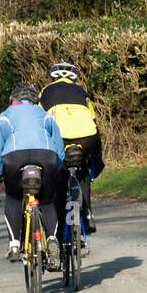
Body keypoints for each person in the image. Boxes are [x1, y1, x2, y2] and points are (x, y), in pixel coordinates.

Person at [0, 84, 65, 270]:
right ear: (34, 101)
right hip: (46, 156)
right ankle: (52, 239)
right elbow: (59, 147)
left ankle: (14, 243)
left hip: (15, 157)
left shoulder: (4, 116)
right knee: (47, 201)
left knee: (13, 198)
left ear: (13, 100)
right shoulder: (45, 115)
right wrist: (56, 170)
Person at [39, 61, 104, 243]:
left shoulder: (45, 91)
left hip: (61, 138)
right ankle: (88, 213)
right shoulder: (82, 91)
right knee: (84, 169)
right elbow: (93, 118)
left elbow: (39, 120)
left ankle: (59, 235)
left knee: (59, 182)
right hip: (87, 137)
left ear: (53, 77)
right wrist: (97, 160)